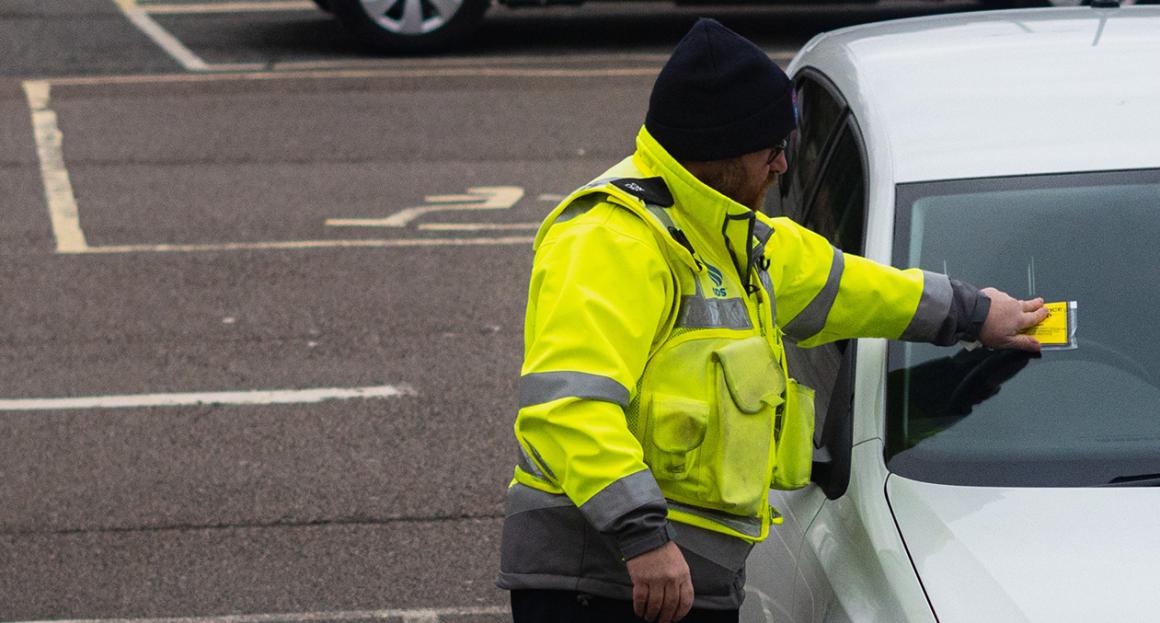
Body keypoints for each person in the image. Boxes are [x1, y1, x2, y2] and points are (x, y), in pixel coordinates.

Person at [496, 17, 1047, 623]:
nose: (783, 166)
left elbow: (851, 287)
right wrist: (642, 537)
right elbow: (569, 408)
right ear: (720, 154)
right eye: (772, 150)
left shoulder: (735, 234)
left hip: (683, 582)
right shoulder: (610, 241)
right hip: (606, 584)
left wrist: (977, 313)